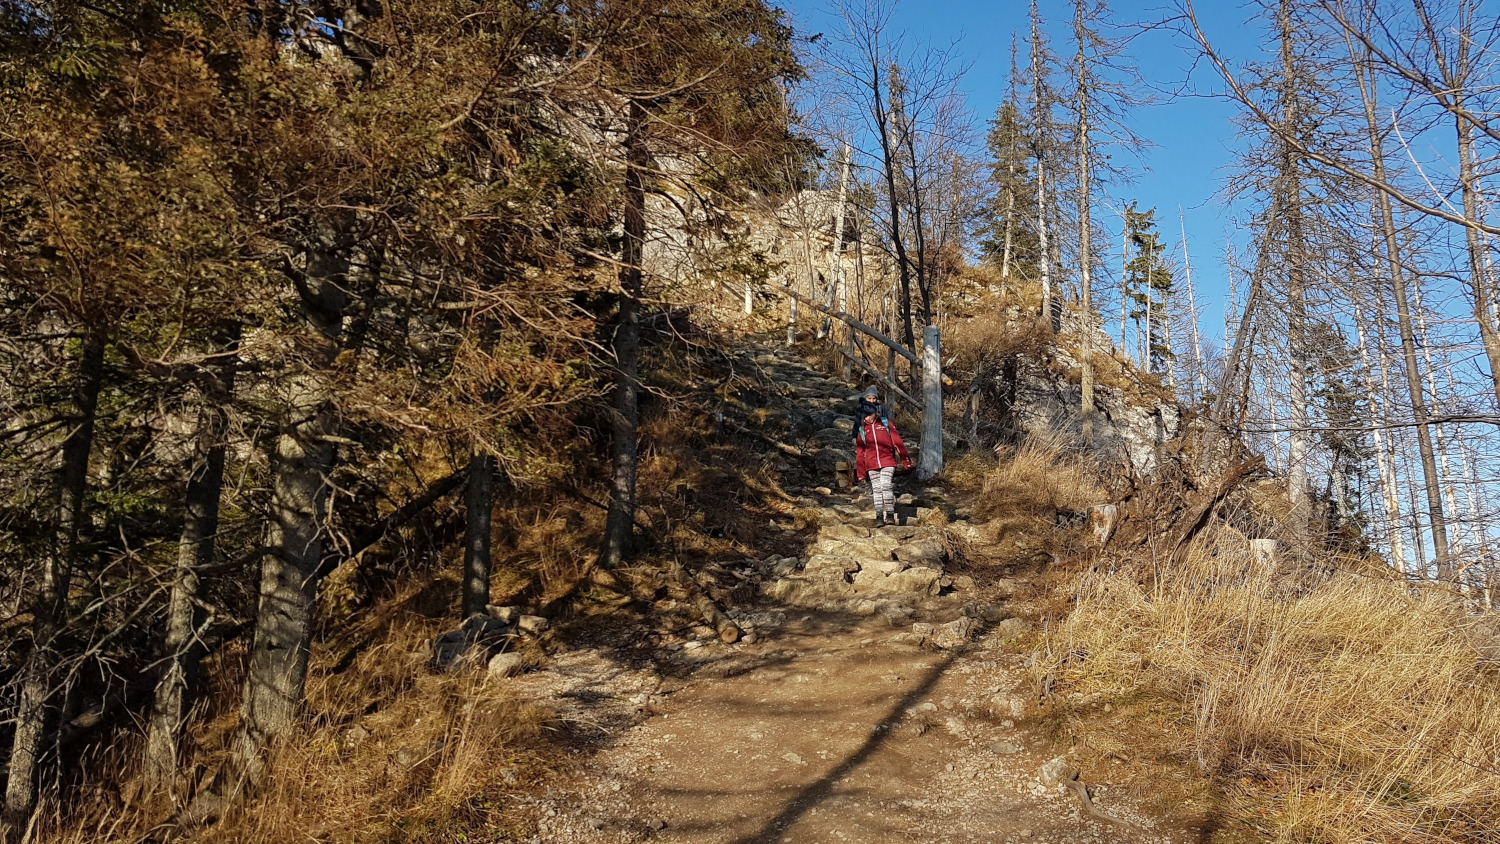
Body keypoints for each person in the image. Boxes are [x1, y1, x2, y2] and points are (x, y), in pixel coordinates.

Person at [852, 386, 912, 528]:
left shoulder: (885, 423)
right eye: (865, 416)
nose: (868, 418)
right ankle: (879, 516)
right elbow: (860, 452)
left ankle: (890, 515)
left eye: (870, 414)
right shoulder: (862, 430)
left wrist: (905, 460)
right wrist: (860, 472)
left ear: (875, 412)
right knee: (877, 489)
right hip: (871, 463)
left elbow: (897, 442)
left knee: (886, 485)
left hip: (887, 461)